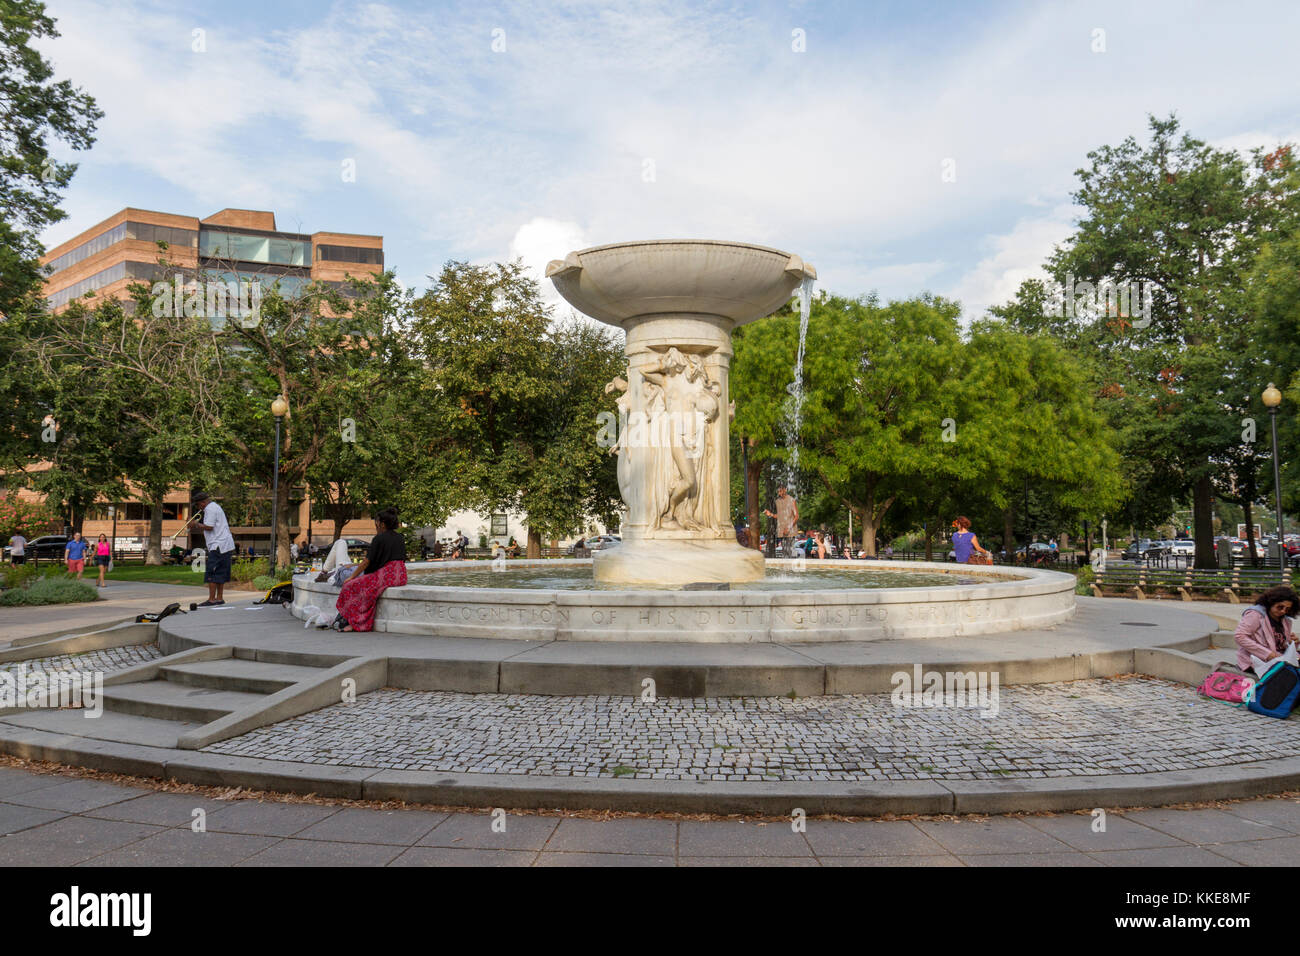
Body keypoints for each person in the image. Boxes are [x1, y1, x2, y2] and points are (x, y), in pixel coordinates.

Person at [336, 507, 408, 632]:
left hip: (387, 574)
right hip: (401, 575)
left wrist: (352, 577)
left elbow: (366, 562)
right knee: (365, 587)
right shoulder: (400, 537)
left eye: (377, 523)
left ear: (383, 524)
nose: (376, 526)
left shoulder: (378, 538)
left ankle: (356, 622)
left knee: (349, 586)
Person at [1235, 586, 1300, 675]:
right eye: (1280, 607)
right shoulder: (1255, 614)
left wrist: (1293, 643)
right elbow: (1240, 636)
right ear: (1271, 602)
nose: (1283, 611)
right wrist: (1267, 654)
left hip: (1279, 660)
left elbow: (1282, 647)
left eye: (1287, 609)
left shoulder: (1286, 621)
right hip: (1257, 662)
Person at [187, 491, 235, 606]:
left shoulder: (210, 509)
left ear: (203, 503)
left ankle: (212, 599)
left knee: (212, 572)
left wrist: (195, 524)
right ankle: (219, 598)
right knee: (220, 572)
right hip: (225, 545)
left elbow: (209, 527)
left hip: (218, 545)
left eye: (198, 505)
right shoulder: (215, 507)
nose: (199, 508)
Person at [763, 487, 799, 558]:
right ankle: (786, 568)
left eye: (781, 491)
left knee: (789, 553)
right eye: (778, 492)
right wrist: (771, 514)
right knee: (784, 553)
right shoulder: (777, 501)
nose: (779, 493)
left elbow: (797, 516)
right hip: (781, 531)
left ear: (785, 490)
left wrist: (789, 528)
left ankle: (791, 568)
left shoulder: (791, 500)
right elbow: (780, 516)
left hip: (790, 532)